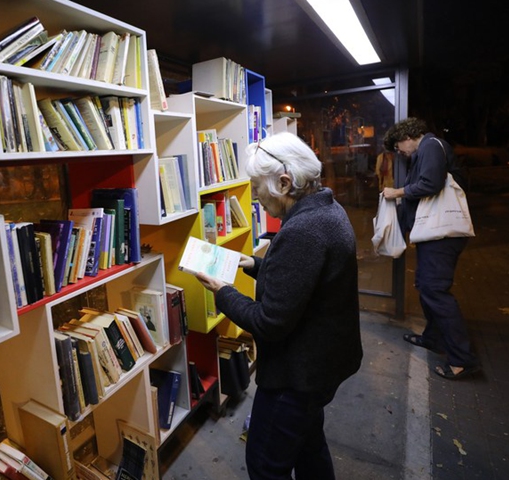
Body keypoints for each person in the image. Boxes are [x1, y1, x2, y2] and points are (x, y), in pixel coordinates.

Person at [189, 132, 362, 479]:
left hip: (296, 376)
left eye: (256, 185)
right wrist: (253, 264)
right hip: (323, 364)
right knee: (310, 446)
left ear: (284, 183)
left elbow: (270, 321)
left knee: (267, 464)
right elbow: (306, 282)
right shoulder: (328, 209)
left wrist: (222, 291)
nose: (253, 195)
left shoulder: (302, 231)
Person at [381, 117, 480, 380]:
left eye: (398, 146)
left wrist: (398, 193)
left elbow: (431, 184)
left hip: (442, 236)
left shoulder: (431, 146)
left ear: (408, 136)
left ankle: (462, 360)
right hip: (434, 236)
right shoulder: (426, 150)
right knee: (426, 287)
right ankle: (433, 338)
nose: (399, 152)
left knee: (435, 290)